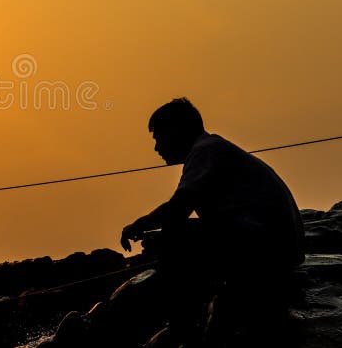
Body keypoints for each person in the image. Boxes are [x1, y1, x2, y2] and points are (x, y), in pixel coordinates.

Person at [121, 98, 305, 346]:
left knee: (171, 241)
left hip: (264, 245)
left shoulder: (205, 150)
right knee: (171, 237)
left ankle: (183, 327)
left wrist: (141, 226)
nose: (156, 148)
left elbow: (179, 208)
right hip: (271, 243)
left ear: (177, 130)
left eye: (158, 138)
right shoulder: (210, 150)